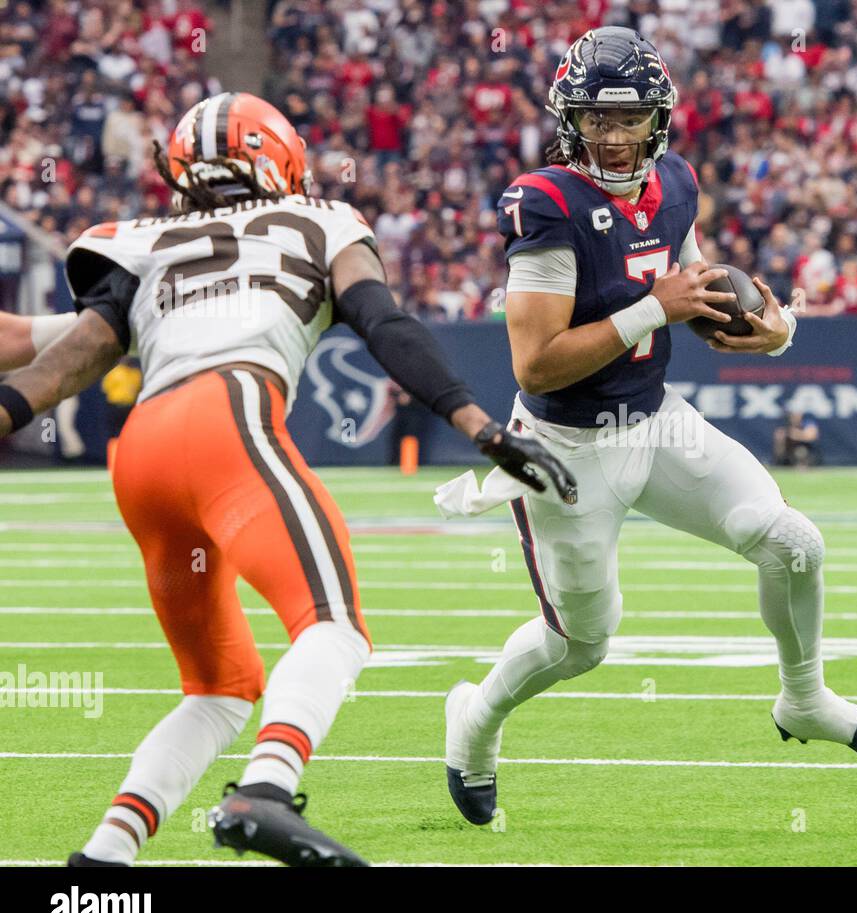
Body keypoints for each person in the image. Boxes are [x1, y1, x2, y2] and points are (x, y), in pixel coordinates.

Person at [0, 93, 574, 866]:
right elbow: (384, 323)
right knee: (331, 625)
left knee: (220, 686)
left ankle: (104, 860)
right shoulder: (322, 220)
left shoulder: (144, 240)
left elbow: (68, 354)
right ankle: (265, 793)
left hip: (142, 457)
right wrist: (476, 423)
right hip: (225, 418)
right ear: (280, 159)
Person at [440, 27, 857, 827]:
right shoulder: (549, 205)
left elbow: (691, 287)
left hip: (656, 422)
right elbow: (537, 364)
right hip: (564, 448)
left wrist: (774, 327)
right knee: (581, 644)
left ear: (658, 120)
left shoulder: (675, 185)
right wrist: (651, 309)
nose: (615, 136)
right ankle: (475, 722)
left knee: (793, 541)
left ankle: (805, 700)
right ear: (570, 120)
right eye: (596, 118)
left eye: (629, 119)